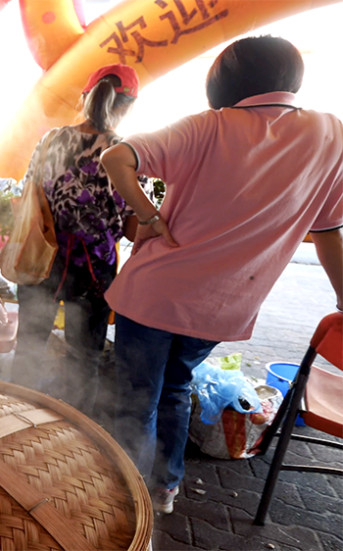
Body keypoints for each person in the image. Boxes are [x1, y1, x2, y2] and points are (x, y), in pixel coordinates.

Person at [100, 36, 343, 515]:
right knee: (175, 388)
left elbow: (117, 158)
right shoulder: (332, 136)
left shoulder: (208, 126)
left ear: (224, 80)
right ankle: (163, 488)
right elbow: (330, 232)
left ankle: (121, 501)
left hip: (152, 295)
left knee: (135, 398)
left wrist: (148, 216)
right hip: (222, 308)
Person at [10, 64, 145, 416]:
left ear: (86, 98)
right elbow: (133, 226)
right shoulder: (127, 154)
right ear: (128, 106)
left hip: (43, 259)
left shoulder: (52, 139)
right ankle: (74, 434)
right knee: (84, 358)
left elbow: (26, 196)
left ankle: (12, 420)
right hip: (94, 272)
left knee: (28, 347)